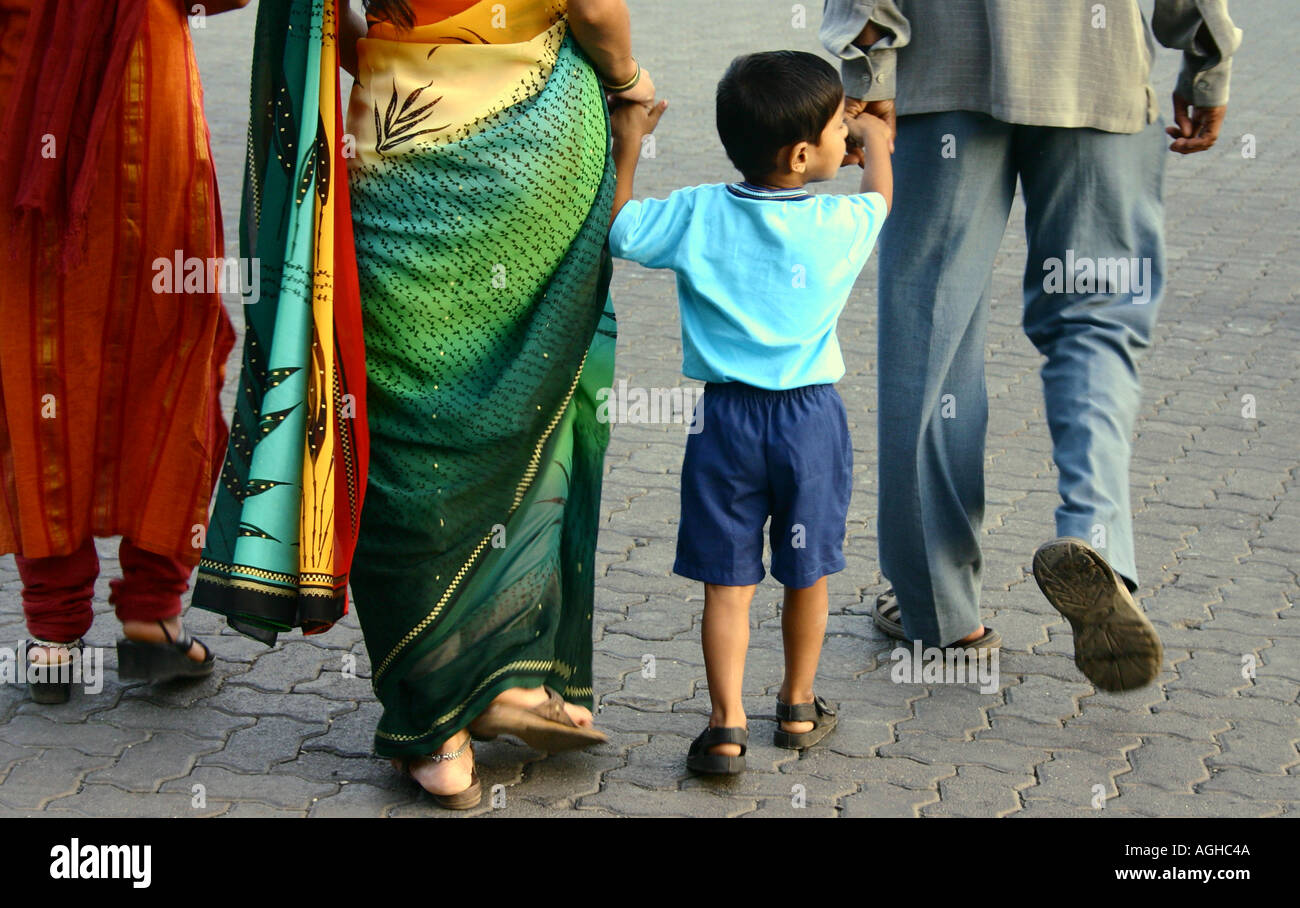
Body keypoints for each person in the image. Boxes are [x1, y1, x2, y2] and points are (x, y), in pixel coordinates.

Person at [820, 1, 1241, 691]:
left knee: (932, 328)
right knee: (1096, 323)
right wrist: (1207, 61)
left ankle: (939, 612)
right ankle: (1097, 537)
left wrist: (868, 66)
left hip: (944, 71)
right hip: (1096, 68)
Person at [336, 0, 656, 809]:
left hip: (398, 132)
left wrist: (387, 60)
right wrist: (625, 77)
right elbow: (593, 8)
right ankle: (508, 672)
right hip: (537, 141)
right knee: (535, 397)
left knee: (404, 419)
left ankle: (437, 726)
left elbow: (322, 20)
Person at [608, 51, 892, 774]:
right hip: (811, 423)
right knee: (808, 572)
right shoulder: (839, 222)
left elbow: (621, 229)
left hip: (725, 423)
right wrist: (879, 143)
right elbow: (882, 198)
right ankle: (798, 706)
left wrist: (629, 143)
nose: (847, 133)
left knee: (727, 583)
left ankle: (726, 725)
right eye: (838, 126)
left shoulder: (699, 211)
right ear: (804, 154)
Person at [0, 0, 247, 703]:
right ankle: (150, 619)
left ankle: (53, 639)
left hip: (24, 133)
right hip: (151, 131)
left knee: (38, 364)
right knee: (171, 355)